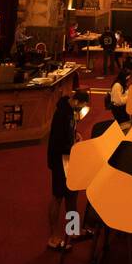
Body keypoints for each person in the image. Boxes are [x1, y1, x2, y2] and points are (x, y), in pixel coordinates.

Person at [46, 88, 91, 251]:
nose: (81, 110)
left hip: (69, 160)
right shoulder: (61, 115)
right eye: (82, 106)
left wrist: (76, 134)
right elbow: (59, 144)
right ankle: (52, 237)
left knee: (72, 194)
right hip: (59, 162)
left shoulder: (70, 111)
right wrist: (75, 146)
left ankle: (72, 230)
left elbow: (69, 132)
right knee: (57, 197)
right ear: (77, 101)